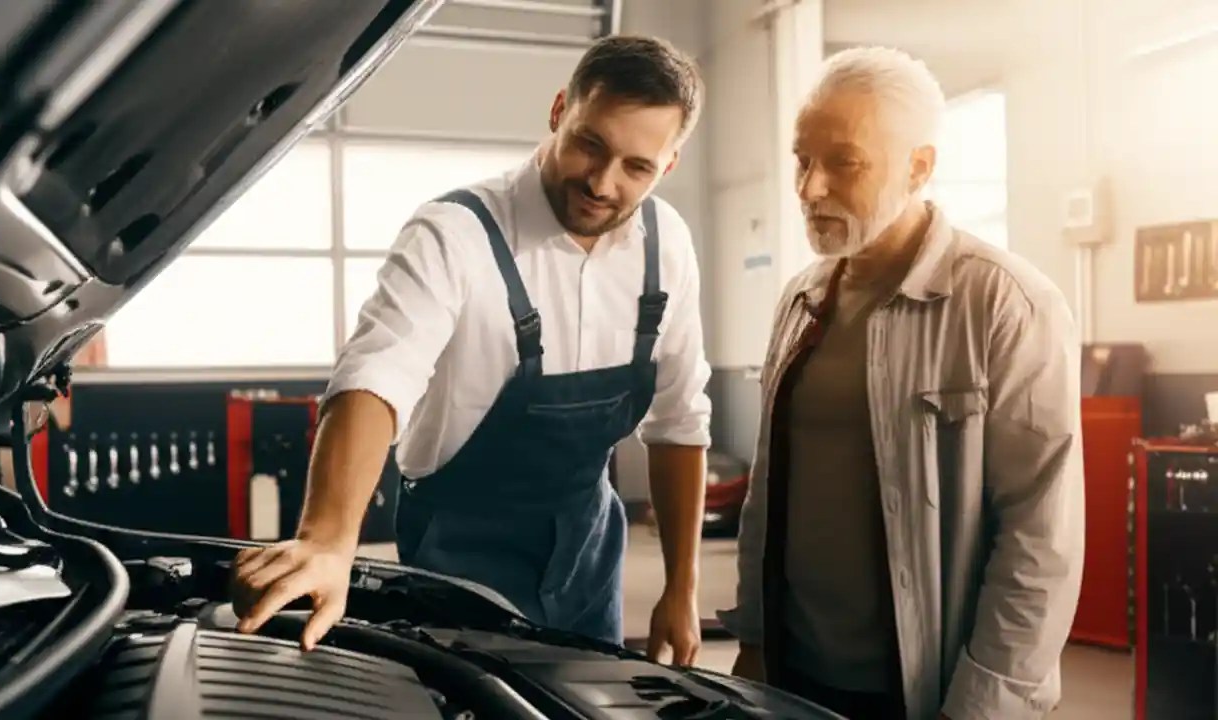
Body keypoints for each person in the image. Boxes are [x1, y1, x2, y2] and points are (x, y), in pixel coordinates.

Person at [230, 35, 712, 665]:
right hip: (456, 556)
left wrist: (682, 588)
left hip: (587, 556)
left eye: (636, 167)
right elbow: (377, 375)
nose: (602, 181)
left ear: (668, 166)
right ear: (559, 109)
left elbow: (679, 423)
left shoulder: (665, 244)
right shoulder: (454, 234)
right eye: (590, 143)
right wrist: (328, 540)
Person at [718, 47, 1085, 719]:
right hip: (793, 676)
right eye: (802, 160)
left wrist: (981, 707)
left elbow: (1040, 540)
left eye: (844, 163)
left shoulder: (1005, 304)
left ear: (919, 166)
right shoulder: (800, 300)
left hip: (927, 691)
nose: (810, 188)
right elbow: (766, 494)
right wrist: (753, 640)